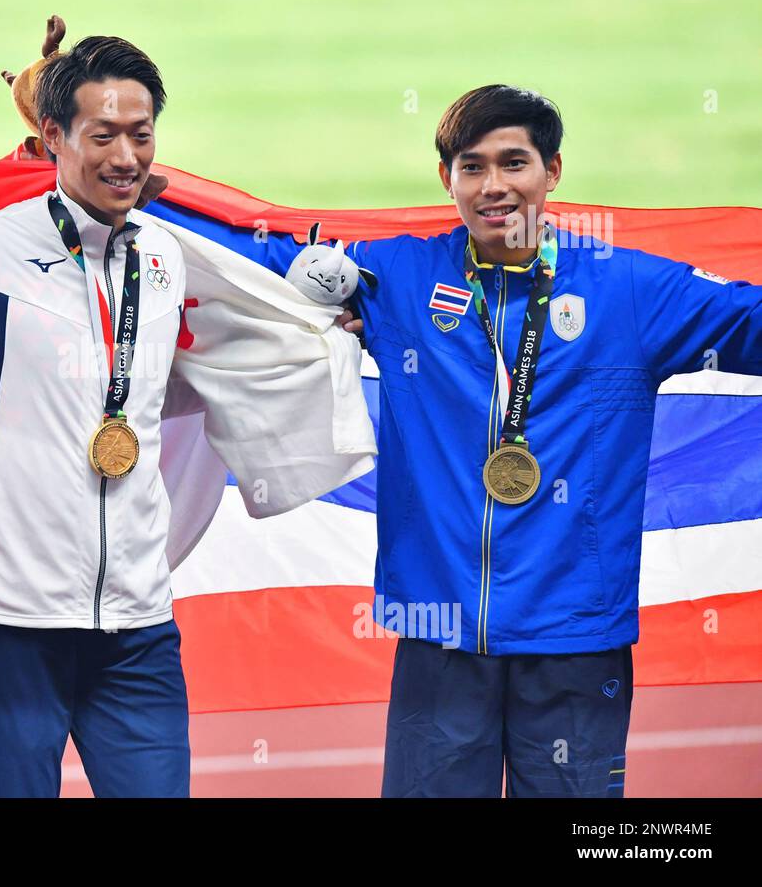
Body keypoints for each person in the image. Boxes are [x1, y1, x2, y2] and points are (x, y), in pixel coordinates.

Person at [0, 35, 375, 797]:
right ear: (53, 138)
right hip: (13, 614)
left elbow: (177, 376)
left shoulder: (164, 256)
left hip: (136, 620)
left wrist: (311, 336)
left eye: (140, 135)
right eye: (102, 135)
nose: (126, 156)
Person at [277, 84, 762, 796]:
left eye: (514, 163)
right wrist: (63, 159)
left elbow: (749, 323)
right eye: (472, 167)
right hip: (439, 635)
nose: (494, 186)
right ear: (447, 179)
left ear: (553, 171)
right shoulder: (399, 278)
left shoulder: (627, 291)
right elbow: (233, 266)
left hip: (575, 644)